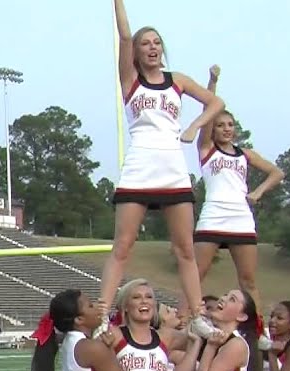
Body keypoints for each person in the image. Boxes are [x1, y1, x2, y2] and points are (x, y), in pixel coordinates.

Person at [98, 0, 225, 340]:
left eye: (156, 42)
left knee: (185, 249)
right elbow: (124, 35)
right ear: (136, 53)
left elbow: (216, 103)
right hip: (139, 167)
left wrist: (193, 127)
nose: (151, 47)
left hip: (172, 169)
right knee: (122, 246)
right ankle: (101, 316)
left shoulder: (177, 81)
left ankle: (197, 316)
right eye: (145, 44)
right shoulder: (131, 81)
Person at [194, 65, 285, 310]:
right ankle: (183, 324)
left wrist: (257, 192)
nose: (226, 129)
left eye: (230, 125)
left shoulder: (245, 154)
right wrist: (212, 82)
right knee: (195, 276)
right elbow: (207, 112)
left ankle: (257, 331)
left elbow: (277, 173)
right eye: (221, 124)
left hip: (240, 217)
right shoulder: (207, 149)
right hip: (213, 214)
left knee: (248, 280)